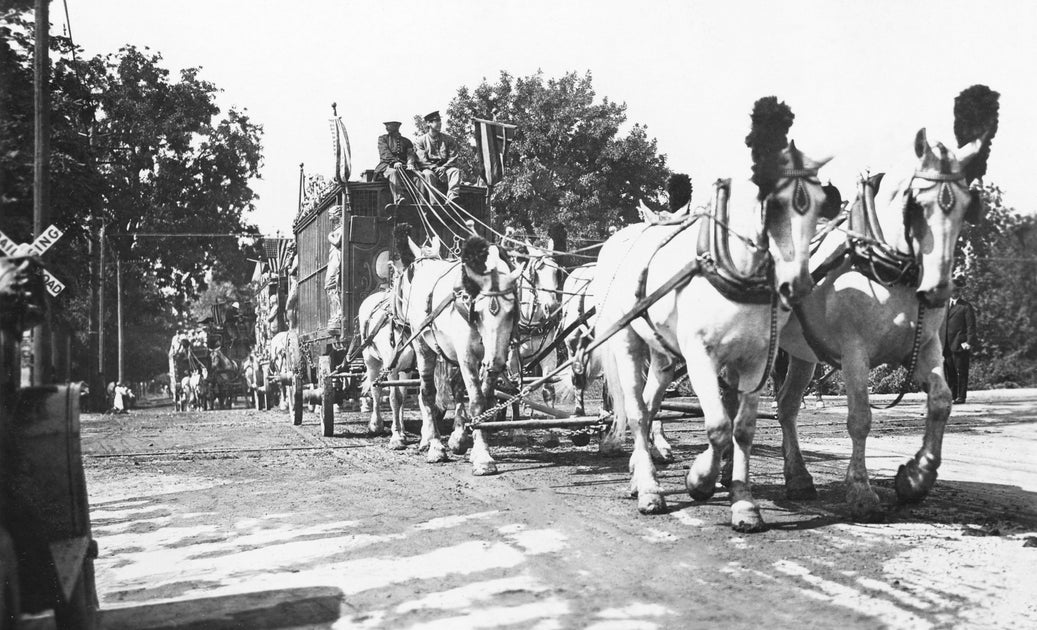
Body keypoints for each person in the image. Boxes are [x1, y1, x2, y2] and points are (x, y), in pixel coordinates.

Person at [943, 280, 978, 404]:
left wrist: (969, 342)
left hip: (960, 344)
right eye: (952, 290)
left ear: (959, 291)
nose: (954, 292)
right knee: (949, 371)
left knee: (961, 372)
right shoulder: (944, 306)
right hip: (946, 345)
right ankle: (952, 396)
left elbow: (971, 327)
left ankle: (961, 397)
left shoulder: (965, 306)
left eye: (957, 290)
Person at [415, 110, 461, 203]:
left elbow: (453, 157)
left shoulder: (448, 139)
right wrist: (435, 168)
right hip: (429, 168)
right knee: (428, 175)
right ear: (428, 123)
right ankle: (434, 203)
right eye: (436, 121)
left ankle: (452, 196)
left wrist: (444, 167)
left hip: (445, 168)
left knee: (455, 171)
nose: (439, 123)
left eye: (440, 121)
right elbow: (422, 160)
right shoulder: (420, 141)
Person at [375, 120, 418, 207]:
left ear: (397, 126)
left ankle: (420, 202)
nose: (386, 127)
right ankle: (399, 199)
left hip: (403, 167)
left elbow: (410, 153)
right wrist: (394, 162)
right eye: (386, 125)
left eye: (389, 125)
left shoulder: (407, 141)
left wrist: (410, 162)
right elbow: (384, 152)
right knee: (393, 173)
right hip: (386, 166)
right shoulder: (382, 139)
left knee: (418, 176)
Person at [326, 205, 343, 330]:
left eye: (331, 215)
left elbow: (337, 242)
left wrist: (329, 236)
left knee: (331, 284)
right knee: (330, 286)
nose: (330, 218)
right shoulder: (339, 228)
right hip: (334, 259)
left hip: (337, 260)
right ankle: (335, 315)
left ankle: (337, 315)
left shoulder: (342, 228)